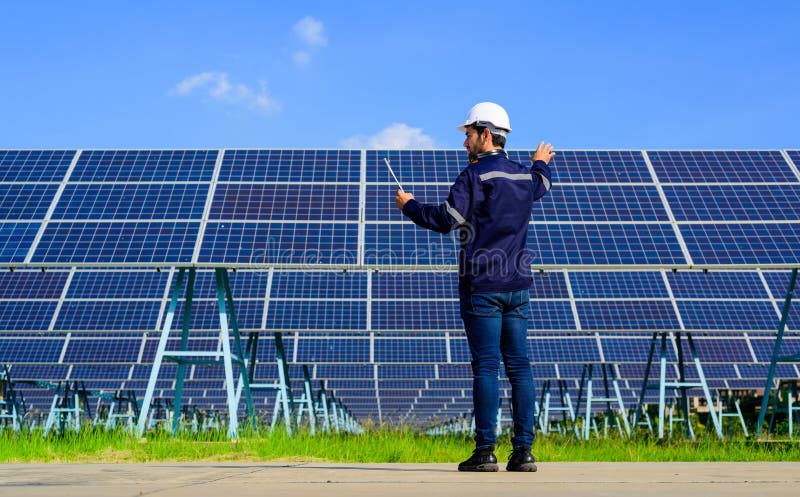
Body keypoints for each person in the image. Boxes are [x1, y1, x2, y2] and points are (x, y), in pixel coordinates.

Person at [395, 102, 554, 472]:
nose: (464, 142)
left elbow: (445, 220)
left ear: (485, 134)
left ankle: (485, 452)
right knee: (520, 367)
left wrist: (409, 205)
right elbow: (541, 184)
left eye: (468, 134)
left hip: (482, 285)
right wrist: (541, 161)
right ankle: (524, 452)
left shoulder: (474, 176)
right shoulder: (522, 176)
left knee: (485, 367)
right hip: (518, 286)